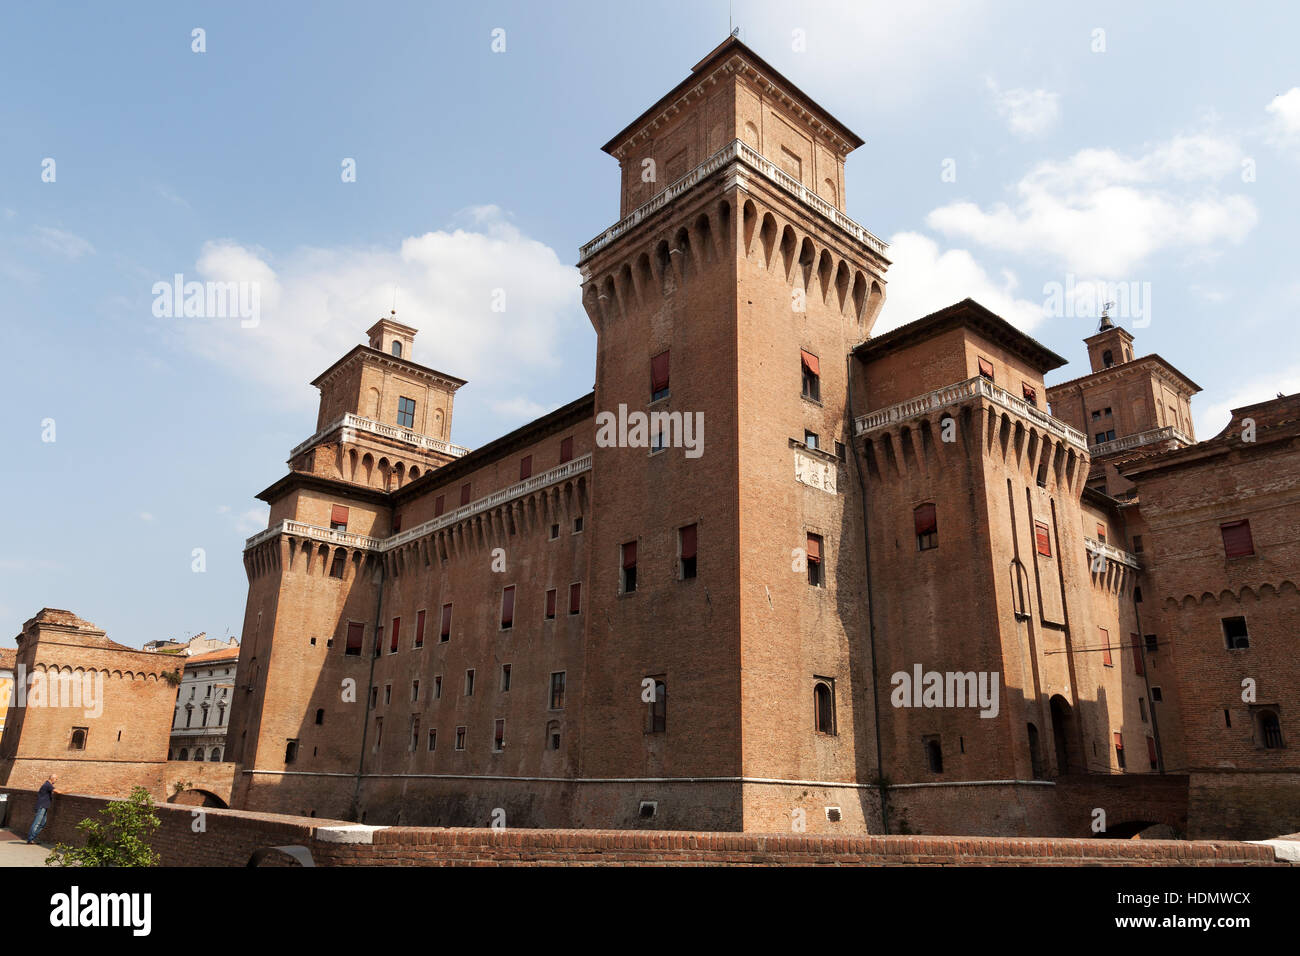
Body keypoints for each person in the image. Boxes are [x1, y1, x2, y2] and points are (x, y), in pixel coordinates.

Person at [26, 774, 56, 845]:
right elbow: (58, 791)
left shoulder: (47, 785)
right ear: (52, 779)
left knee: (42, 823)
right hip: (42, 806)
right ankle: (30, 839)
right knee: (37, 823)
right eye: (56, 779)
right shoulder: (48, 785)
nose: (56, 781)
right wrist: (67, 791)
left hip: (44, 806)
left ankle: (32, 838)